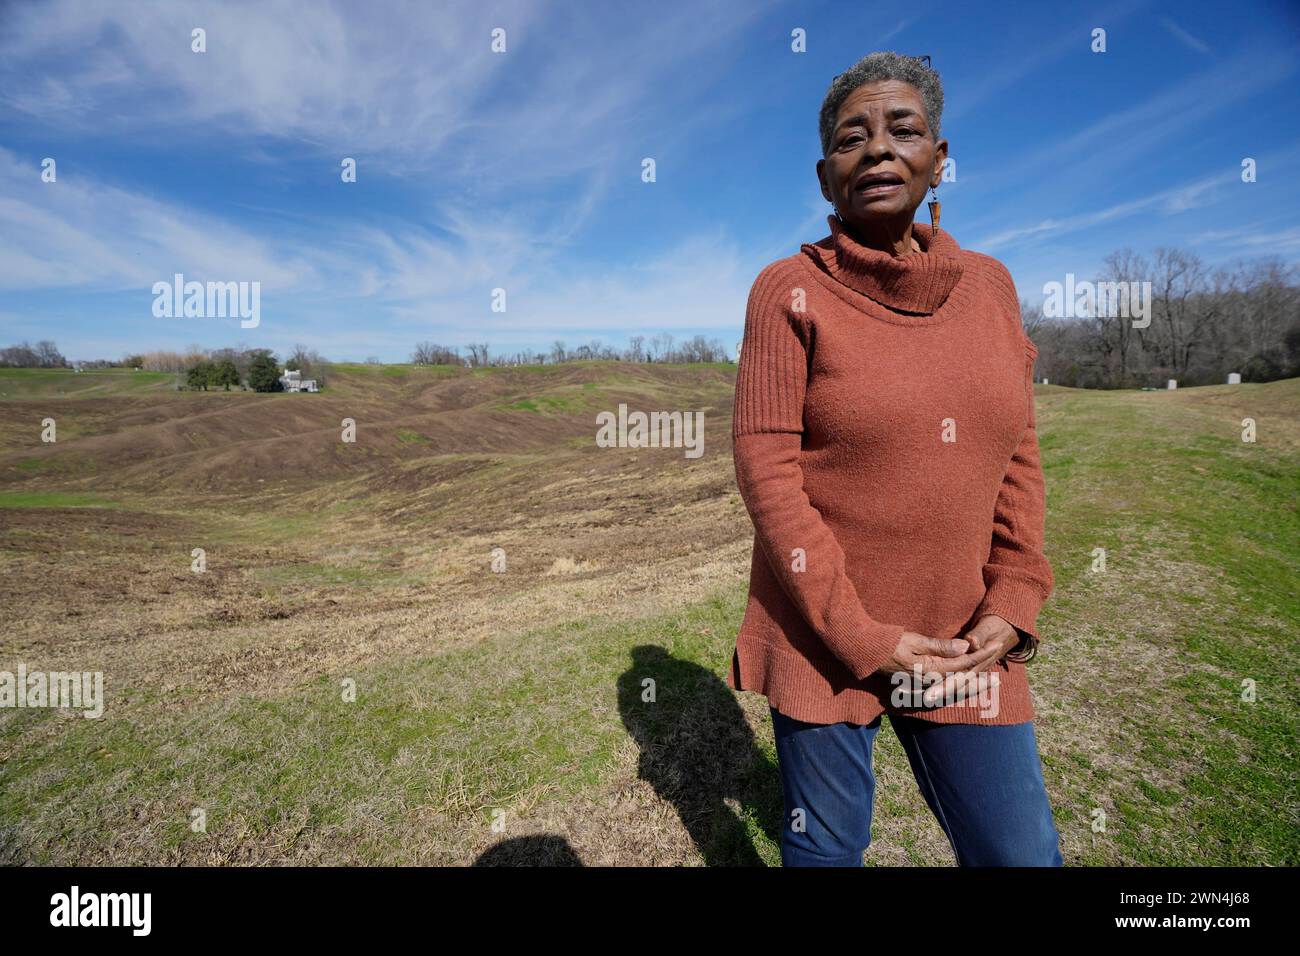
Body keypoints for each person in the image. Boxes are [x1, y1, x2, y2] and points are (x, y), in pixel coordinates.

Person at [727, 51, 1063, 867]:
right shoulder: (788, 290)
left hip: (961, 636)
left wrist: (1014, 598)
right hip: (823, 631)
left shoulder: (992, 288)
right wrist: (860, 635)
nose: (878, 150)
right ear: (824, 175)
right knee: (829, 852)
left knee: (1020, 856)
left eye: (902, 130)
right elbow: (766, 470)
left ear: (940, 158)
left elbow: (1016, 451)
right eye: (852, 138)